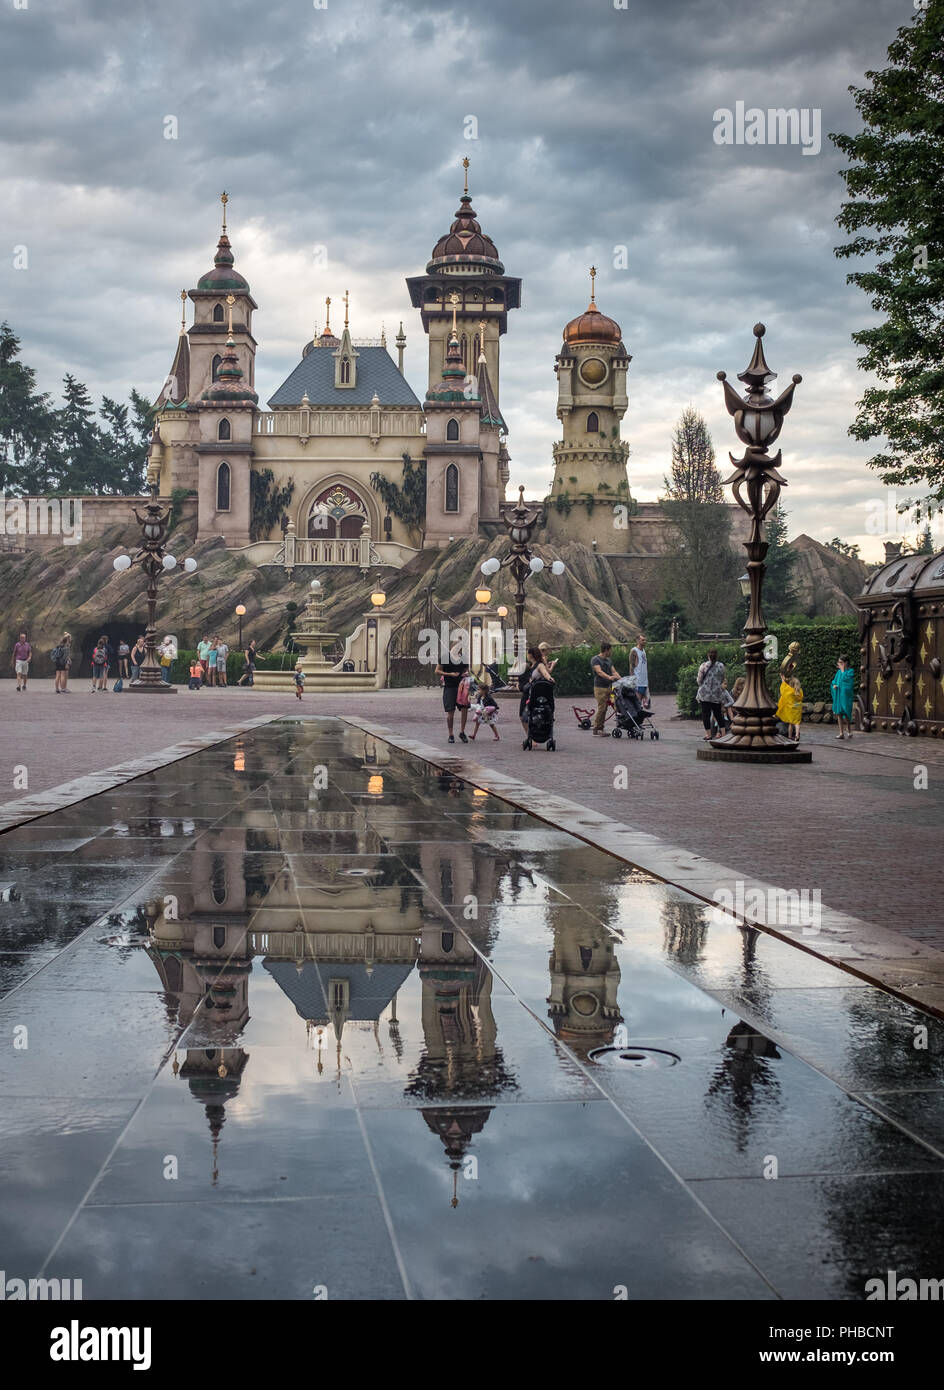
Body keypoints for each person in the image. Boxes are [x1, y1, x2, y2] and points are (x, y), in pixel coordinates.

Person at [435, 650, 469, 744]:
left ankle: (462, 732)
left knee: (465, 709)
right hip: (450, 687)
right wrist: (450, 674)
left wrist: (465, 674)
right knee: (450, 712)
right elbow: (437, 671)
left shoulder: (463, 657)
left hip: (462, 687)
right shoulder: (445, 657)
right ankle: (451, 734)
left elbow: (466, 670)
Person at [695, 647, 726, 742]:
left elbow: (699, 680)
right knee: (718, 715)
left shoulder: (703, 666)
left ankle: (708, 735)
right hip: (716, 695)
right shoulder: (721, 666)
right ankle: (724, 734)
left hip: (705, 695)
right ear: (717, 656)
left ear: (708, 655)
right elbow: (723, 679)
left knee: (706, 715)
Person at [590, 641, 620, 736]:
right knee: (602, 707)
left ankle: (601, 728)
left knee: (613, 704)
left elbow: (614, 671)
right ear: (606, 650)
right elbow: (599, 672)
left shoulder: (609, 660)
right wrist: (609, 677)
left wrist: (622, 679)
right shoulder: (595, 659)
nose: (611, 652)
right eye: (610, 650)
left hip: (610, 688)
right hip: (600, 688)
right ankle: (597, 728)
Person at [469, 663, 500, 741]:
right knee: (477, 723)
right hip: (482, 712)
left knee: (491, 724)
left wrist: (492, 709)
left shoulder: (489, 698)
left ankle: (497, 736)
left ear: (484, 691)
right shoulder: (479, 696)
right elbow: (478, 704)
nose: (478, 691)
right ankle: (474, 735)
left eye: (479, 689)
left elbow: (495, 706)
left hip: (488, 713)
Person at [831, 654, 855, 740]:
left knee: (846, 714)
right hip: (838, 695)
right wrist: (834, 685)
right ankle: (841, 733)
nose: (839, 664)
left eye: (840, 662)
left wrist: (842, 670)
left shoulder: (850, 672)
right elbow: (834, 681)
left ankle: (849, 730)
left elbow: (848, 684)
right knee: (839, 714)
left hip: (845, 697)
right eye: (838, 662)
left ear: (846, 663)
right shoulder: (838, 672)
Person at [776, 672, 803, 742]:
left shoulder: (790, 691)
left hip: (791, 711)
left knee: (791, 724)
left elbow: (784, 687)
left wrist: (782, 677)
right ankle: (797, 735)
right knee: (797, 723)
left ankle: (790, 736)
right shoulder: (800, 692)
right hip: (798, 711)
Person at [628, 633, 650, 709]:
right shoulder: (634, 651)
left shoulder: (643, 651)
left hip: (644, 680)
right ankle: (635, 719)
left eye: (645, 640)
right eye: (642, 640)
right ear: (638, 640)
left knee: (647, 703)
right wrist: (632, 680)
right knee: (638, 702)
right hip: (638, 680)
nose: (645, 641)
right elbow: (631, 666)